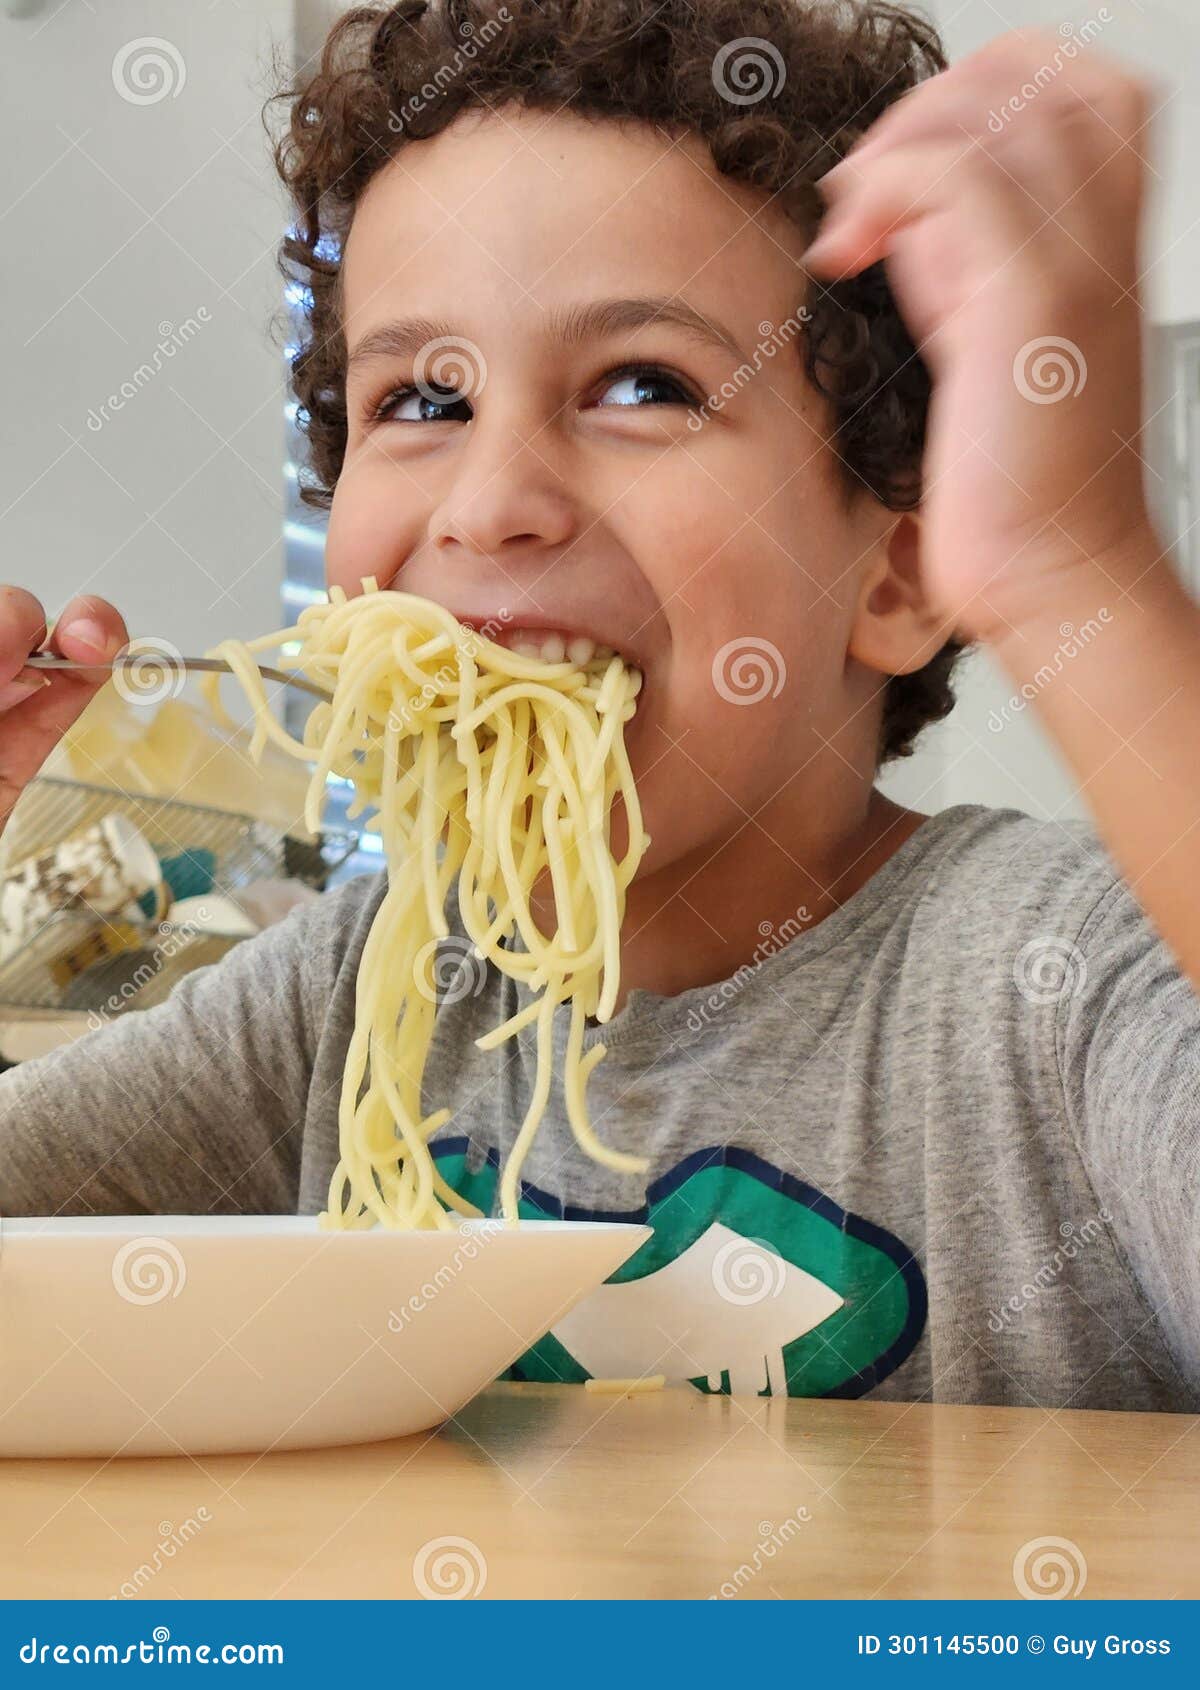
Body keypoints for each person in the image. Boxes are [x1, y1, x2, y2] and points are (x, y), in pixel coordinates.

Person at [1, 0, 1196, 1410]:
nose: (494, 500)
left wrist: (1077, 577)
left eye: (644, 384)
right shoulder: (356, 986)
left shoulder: (1050, 978)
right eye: (422, 400)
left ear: (903, 565)